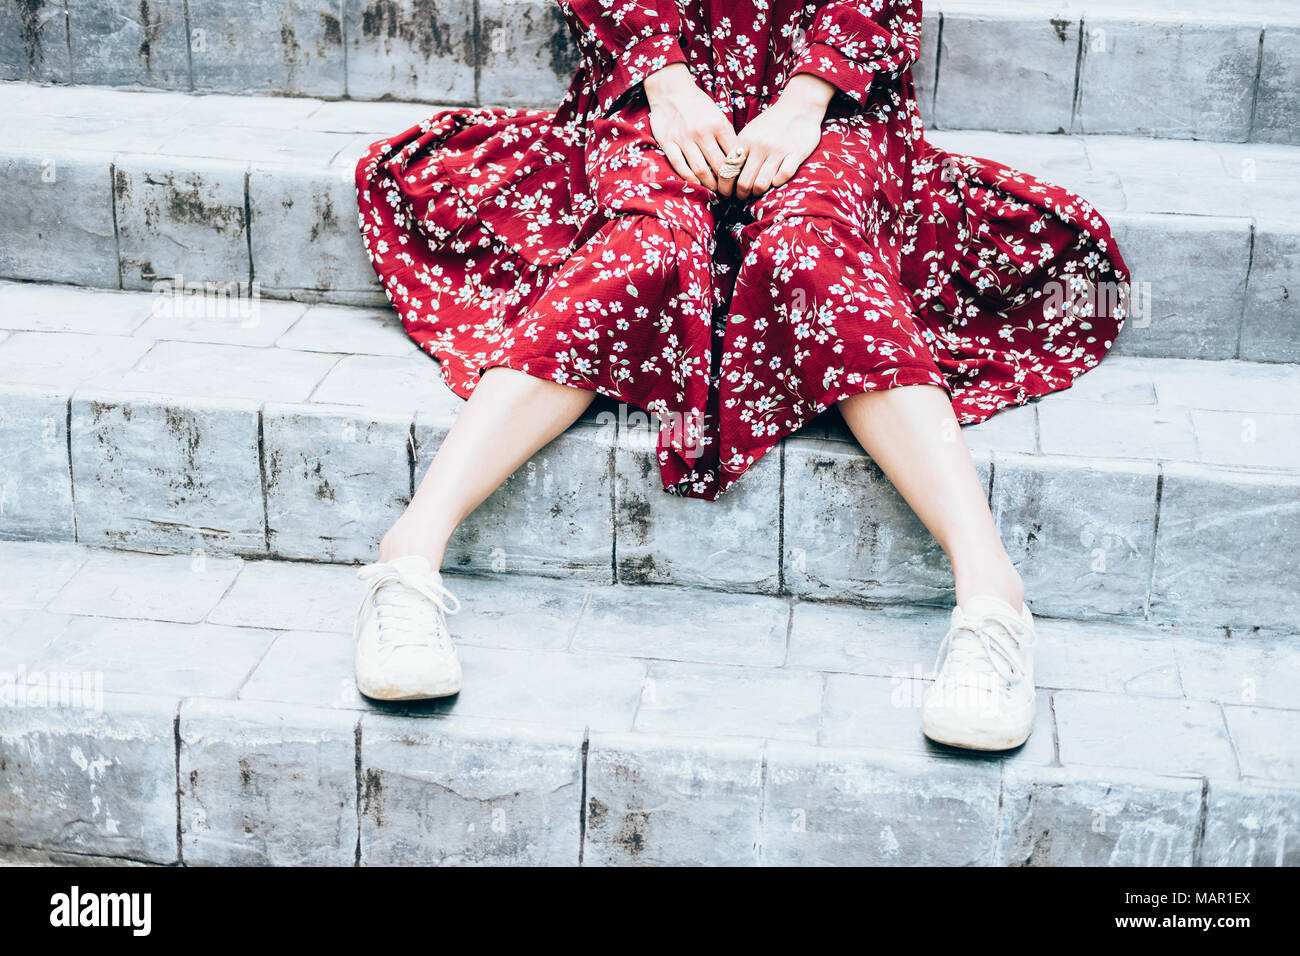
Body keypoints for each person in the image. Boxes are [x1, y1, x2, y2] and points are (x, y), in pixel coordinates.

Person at [349, 0, 1128, 751]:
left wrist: (809, 93)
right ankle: (407, 558)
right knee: (641, 252)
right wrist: (665, 79)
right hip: (653, 80)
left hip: (837, 97)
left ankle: (993, 599)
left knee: (810, 252)